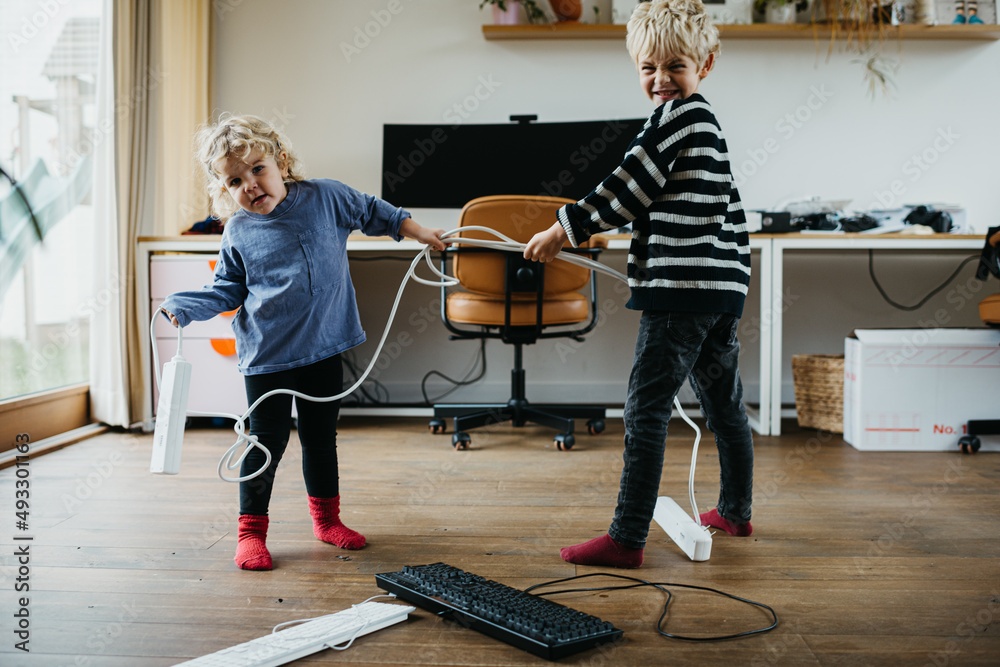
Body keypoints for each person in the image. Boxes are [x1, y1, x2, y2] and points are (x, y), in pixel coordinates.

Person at [523, 0, 754, 569]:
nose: (660, 80)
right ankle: (735, 510)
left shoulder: (675, 120)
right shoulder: (706, 124)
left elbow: (626, 188)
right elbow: (663, 201)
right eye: (648, 68)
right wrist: (608, 231)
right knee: (723, 403)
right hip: (718, 291)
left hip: (681, 294)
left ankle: (627, 538)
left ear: (707, 62)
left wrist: (565, 228)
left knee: (645, 409)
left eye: (675, 66)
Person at [160, 114, 446, 570]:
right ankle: (250, 532)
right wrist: (187, 306)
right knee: (265, 443)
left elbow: (376, 211)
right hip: (268, 357)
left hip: (323, 346)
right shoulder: (237, 231)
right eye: (235, 180)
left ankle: (326, 521)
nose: (250, 185)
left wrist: (419, 233)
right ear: (224, 189)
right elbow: (227, 290)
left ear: (282, 162)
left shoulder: (327, 198)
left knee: (319, 438)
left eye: (258, 169)